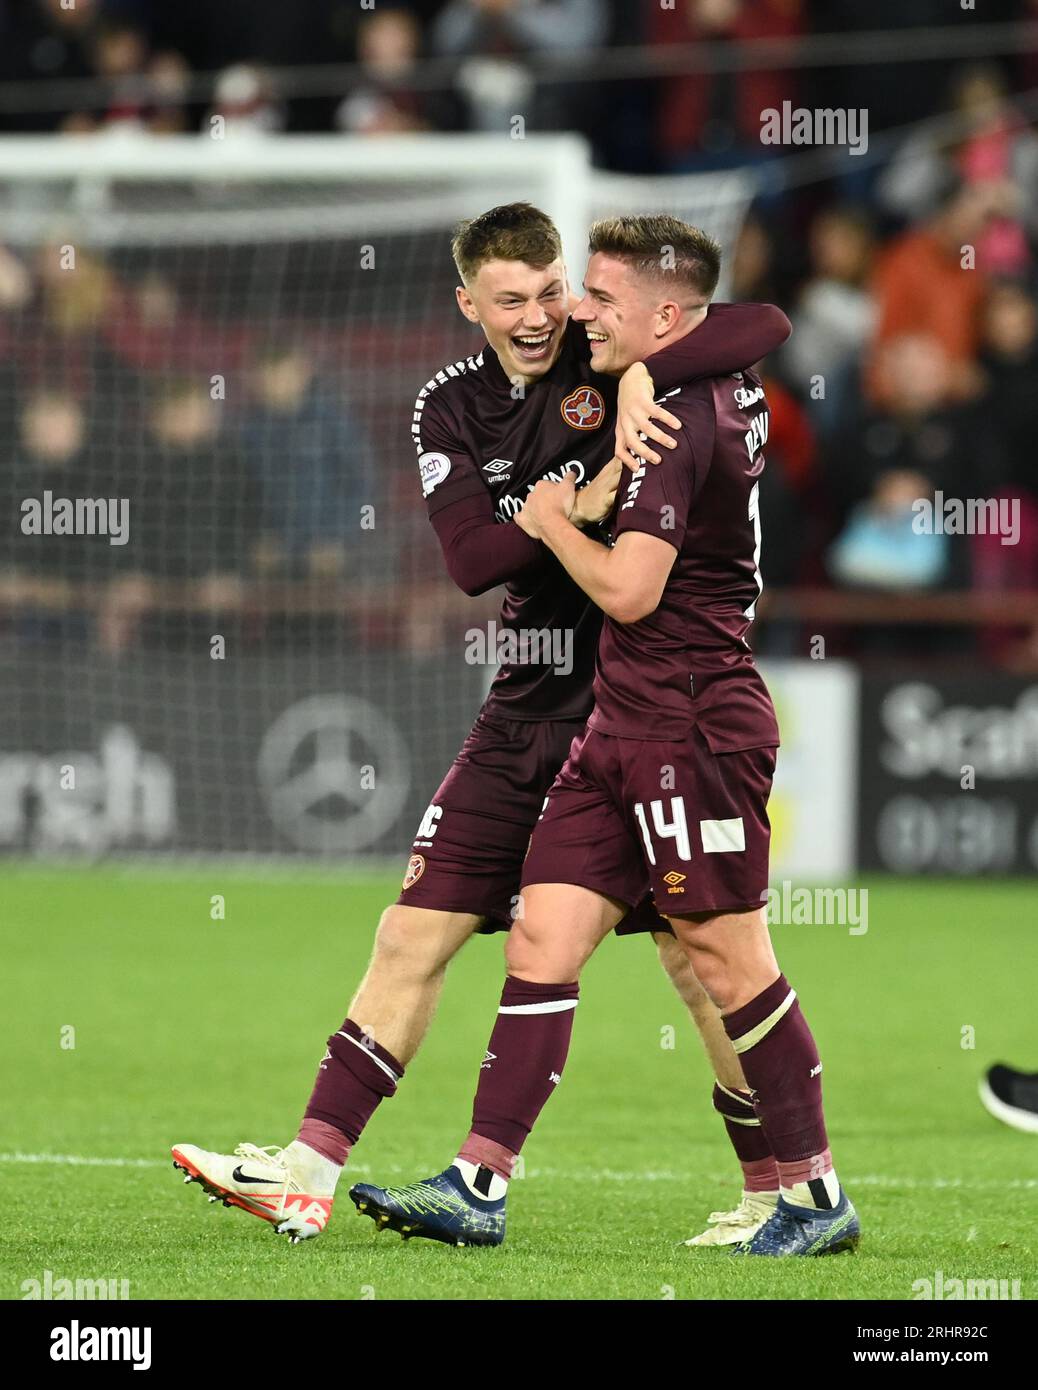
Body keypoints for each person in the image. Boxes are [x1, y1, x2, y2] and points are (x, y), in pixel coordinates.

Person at [172, 204, 791, 1246]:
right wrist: (577, 502)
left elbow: (759, 321)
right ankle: (309, 1169)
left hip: (628, 712)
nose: (544, 315)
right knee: (412, 930)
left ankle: (776, 1190)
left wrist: (639, 380)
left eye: (554, 289)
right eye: (513, 299)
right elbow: (469, 563)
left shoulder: (606, 361)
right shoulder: (447, 406)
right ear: (470, 306)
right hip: (519, 712)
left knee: (701, 959)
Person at [351, 214, 858, 1258]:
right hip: (619, 724)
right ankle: (479, 1183)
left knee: (724, 953)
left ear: (666, 319)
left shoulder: (675, 419)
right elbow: (752, 319)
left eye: (600, 297)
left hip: (691, 715)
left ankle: (812, 1193)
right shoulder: (679, 379)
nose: (577, 310)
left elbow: (629, 590)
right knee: (541, 932)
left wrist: (550, 524)